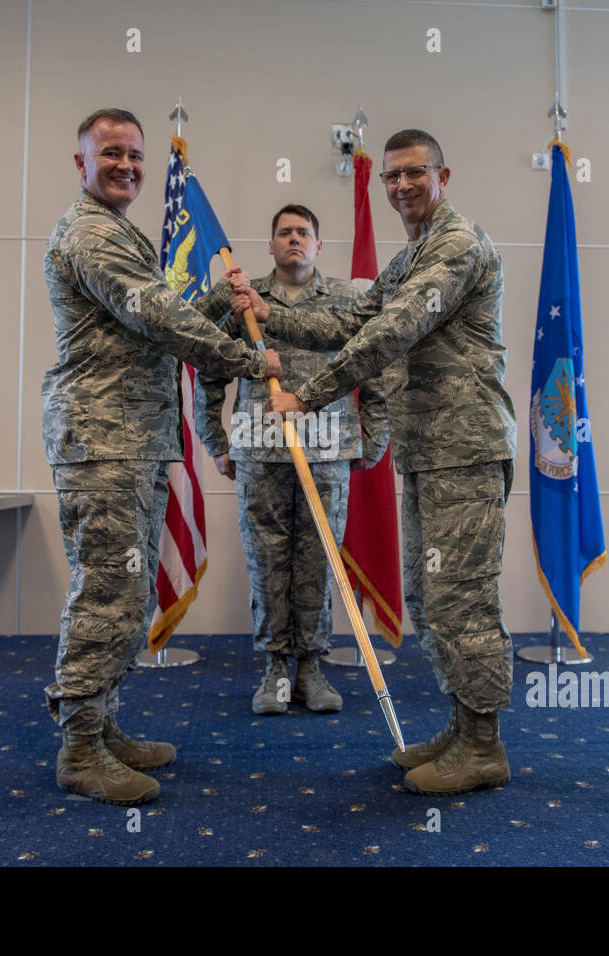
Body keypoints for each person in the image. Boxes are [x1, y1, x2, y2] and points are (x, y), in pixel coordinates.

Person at [234, 129, 517, 796]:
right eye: (391, 176)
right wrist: (273, 315)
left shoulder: (455, 244)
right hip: (428, 453)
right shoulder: (410, 256)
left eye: (415, 173)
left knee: (463, 599)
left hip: (466, 449)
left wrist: (310, 393)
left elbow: (392, 332)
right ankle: (460, 725)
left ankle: (484, 744)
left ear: (444, 175)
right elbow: (354, 316)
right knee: (428, 594)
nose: (401, 186)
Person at [42, 108, 282, 805]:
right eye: (110, 154)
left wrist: (217, 298)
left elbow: (158, 312)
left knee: (131, 590)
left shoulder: (118, 231)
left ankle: (104, 724)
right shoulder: (90, 233)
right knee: (108, 593)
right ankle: (80, 748)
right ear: (81, 163)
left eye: (135, 156)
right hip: (103, 439)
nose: (126, 166)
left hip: (133, 438)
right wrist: (247, 356)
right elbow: (154, 314)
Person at [194, 204, 389, 716]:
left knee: (320, 562)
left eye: (304, 232)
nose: (294, 240)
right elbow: (210, 371)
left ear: (319, 245)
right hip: (261, 450)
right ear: (272, 244)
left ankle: (312, 667)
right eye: (284, 233)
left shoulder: (346, 300)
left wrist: (376, 438)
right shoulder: (245, 302)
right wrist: (215, 440)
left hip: (327, 451)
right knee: (267, 562)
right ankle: (275, 668)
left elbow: (376, 369)